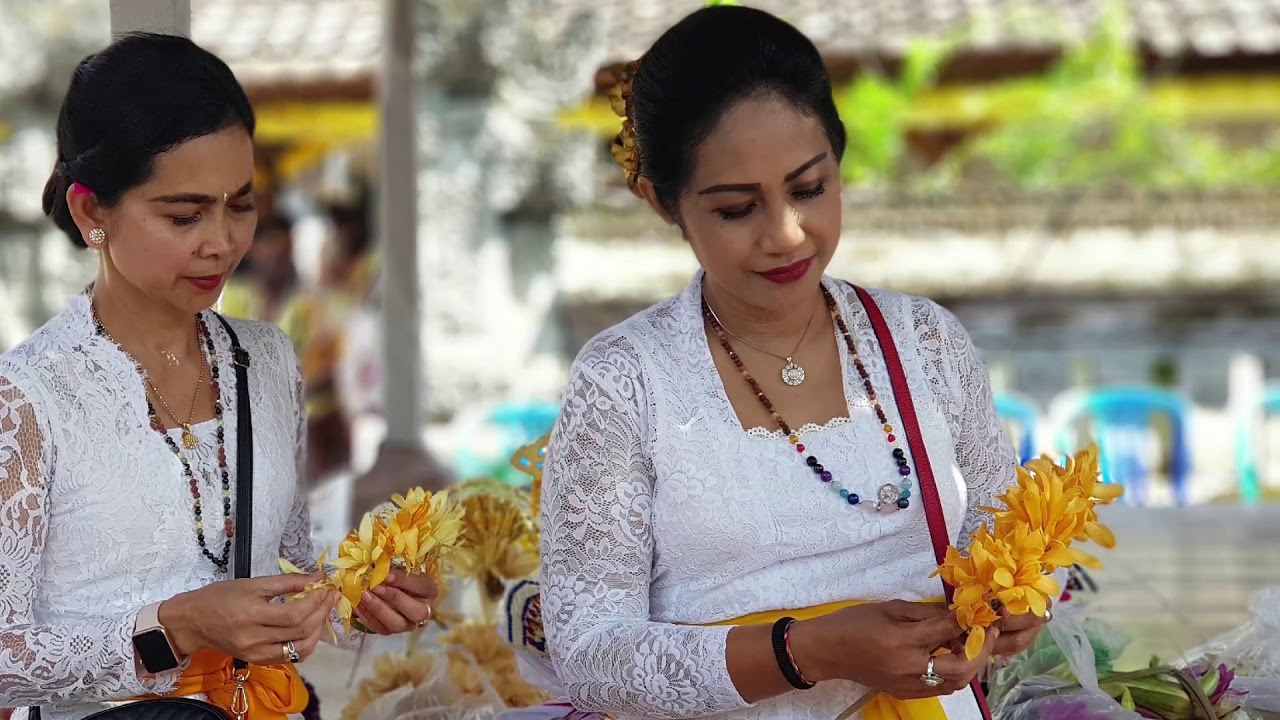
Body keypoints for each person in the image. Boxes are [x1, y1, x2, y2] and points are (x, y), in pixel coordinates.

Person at [538, 7, 1055, 720]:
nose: (785, 235)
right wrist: (809, 651)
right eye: (735, 209)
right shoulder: (627, 381)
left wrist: (1011, 609)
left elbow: (1004, 538)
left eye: (809, 189)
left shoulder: (925, 343)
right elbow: (591, 653)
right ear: (664, 202)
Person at [0, 33, 435, 720]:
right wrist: (174, 629)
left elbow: (284, 566)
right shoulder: (26, 398)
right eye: (184, 214)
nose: (223, 242)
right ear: (92, 213)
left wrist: (357, 592)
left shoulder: (265, 360)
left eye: (240, 204)